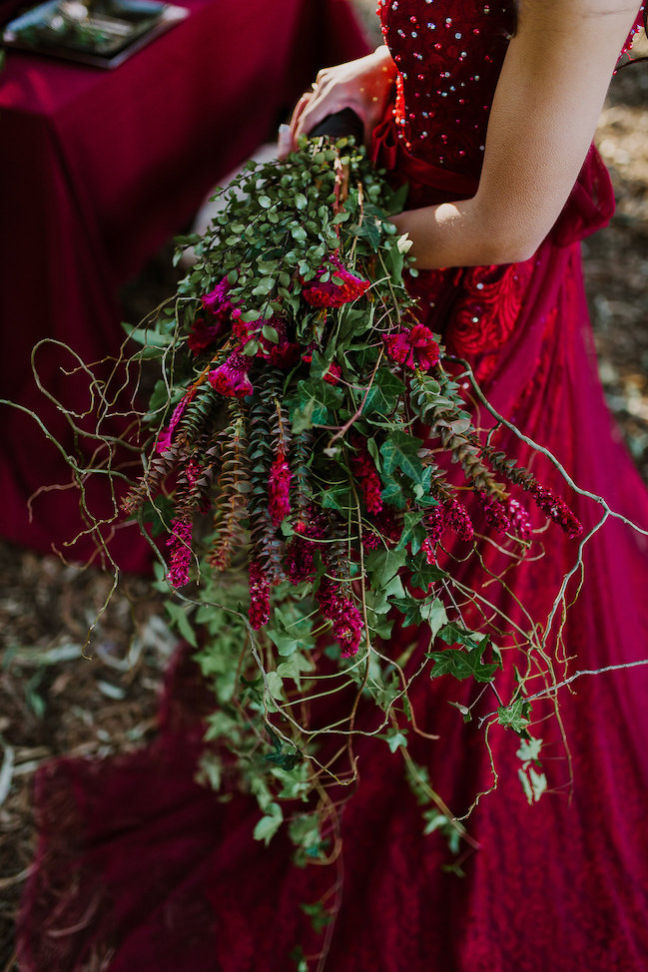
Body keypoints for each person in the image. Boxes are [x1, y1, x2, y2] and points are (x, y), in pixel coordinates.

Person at [17, 2, 648, 969]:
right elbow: (466, 36)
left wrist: (300, 261)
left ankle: (412, 838)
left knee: (445, 587)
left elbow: (502, 226)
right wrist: (377, 69)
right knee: (338, 542)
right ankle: (320, 779)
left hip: (456, 295)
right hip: (390, 227)